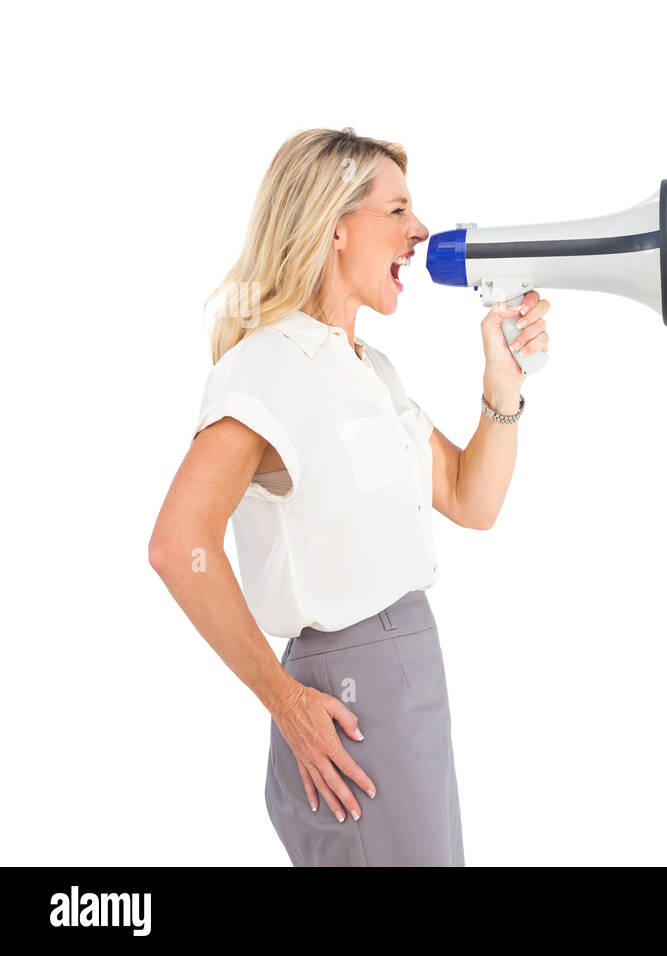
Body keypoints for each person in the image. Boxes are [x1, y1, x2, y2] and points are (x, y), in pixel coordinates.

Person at [147, 127, 550, 866]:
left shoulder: (373, 371)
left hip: (408, 670)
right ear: (336, 227)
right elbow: (180, 545)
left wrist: (503, 385)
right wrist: (283, 698)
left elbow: (470, 499)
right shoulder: (265, 365)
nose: (420, 231)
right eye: (397, 210)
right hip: (356, 685)